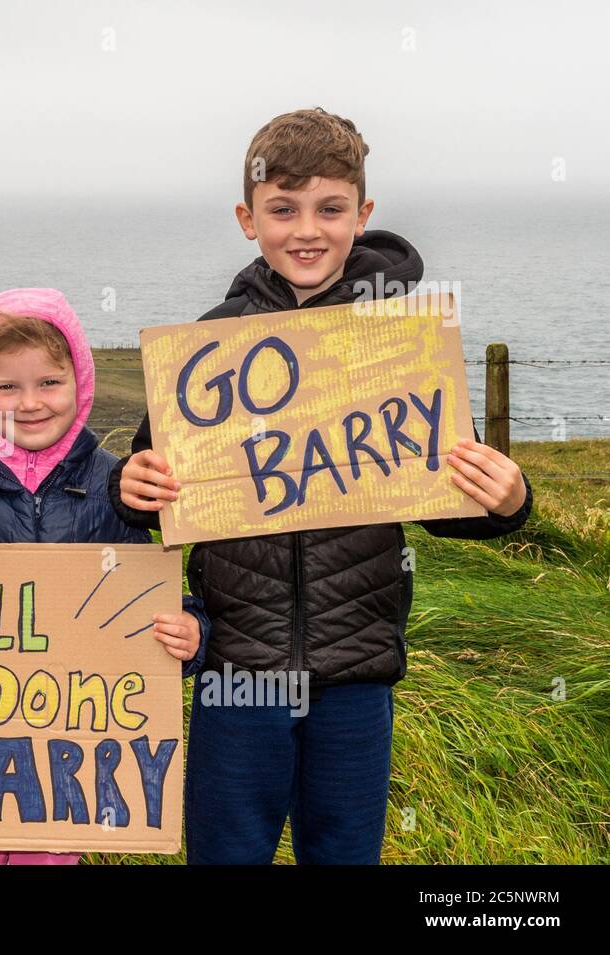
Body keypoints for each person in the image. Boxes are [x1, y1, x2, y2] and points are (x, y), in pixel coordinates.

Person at [108, 108, 533, 864]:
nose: (308, 230)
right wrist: (128, 487)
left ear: (362, 214)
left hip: (357, 669)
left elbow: (441, 490)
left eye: (331, 208)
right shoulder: (209, 343)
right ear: (249, 218)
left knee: (344, 853)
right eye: (283, 209)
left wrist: (506, 502)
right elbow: (155, 484)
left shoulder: (400, 340)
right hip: (235, 669)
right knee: (226, 852)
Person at [0, 287, 209, 864]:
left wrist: (190, 632)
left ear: (81, 383)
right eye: (7, 387)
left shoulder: (113, 488)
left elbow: (146, 594)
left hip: (65, 766)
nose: (31, 402)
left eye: (49, 383)